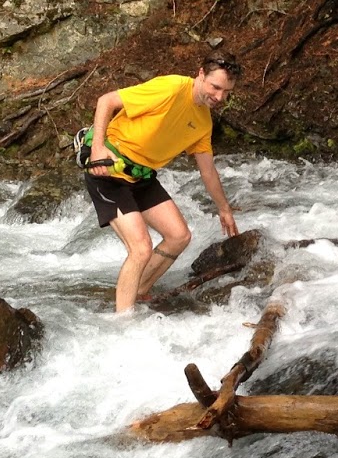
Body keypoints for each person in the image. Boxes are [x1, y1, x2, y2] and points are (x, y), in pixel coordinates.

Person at [81, 55, 241, 311]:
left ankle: (139, 289)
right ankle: (123, 324)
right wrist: (97, 148)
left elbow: (208, 170)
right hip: (108, 170)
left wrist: (224, 209)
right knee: (141, 248)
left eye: (226, 92)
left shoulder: (203, 122)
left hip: (141, 176)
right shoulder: (171, 88)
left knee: (179, 236)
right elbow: (107, 100)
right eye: (215, 87)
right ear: (201, 74)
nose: (220, 97)